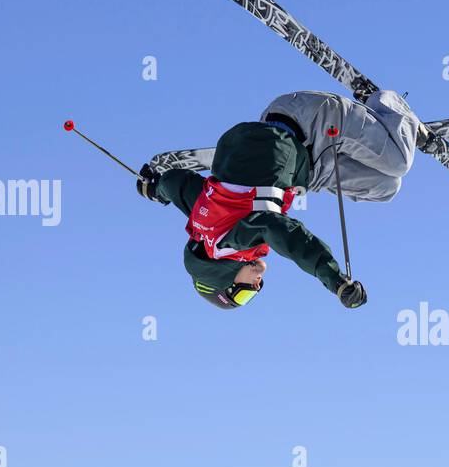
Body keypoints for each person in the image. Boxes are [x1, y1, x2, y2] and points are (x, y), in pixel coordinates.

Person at [137, 90, 424, 310]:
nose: (257, 287)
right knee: (386, 187)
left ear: (224, 277)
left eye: (245, 292)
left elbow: (278, 231)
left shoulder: (229, 244)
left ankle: (385, 104)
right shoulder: (205, 225)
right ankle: (376, 128)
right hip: (308, 162)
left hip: (308, 121)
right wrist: (155, 188)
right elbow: (178, 185)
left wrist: (334, 281)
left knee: (398, 162)